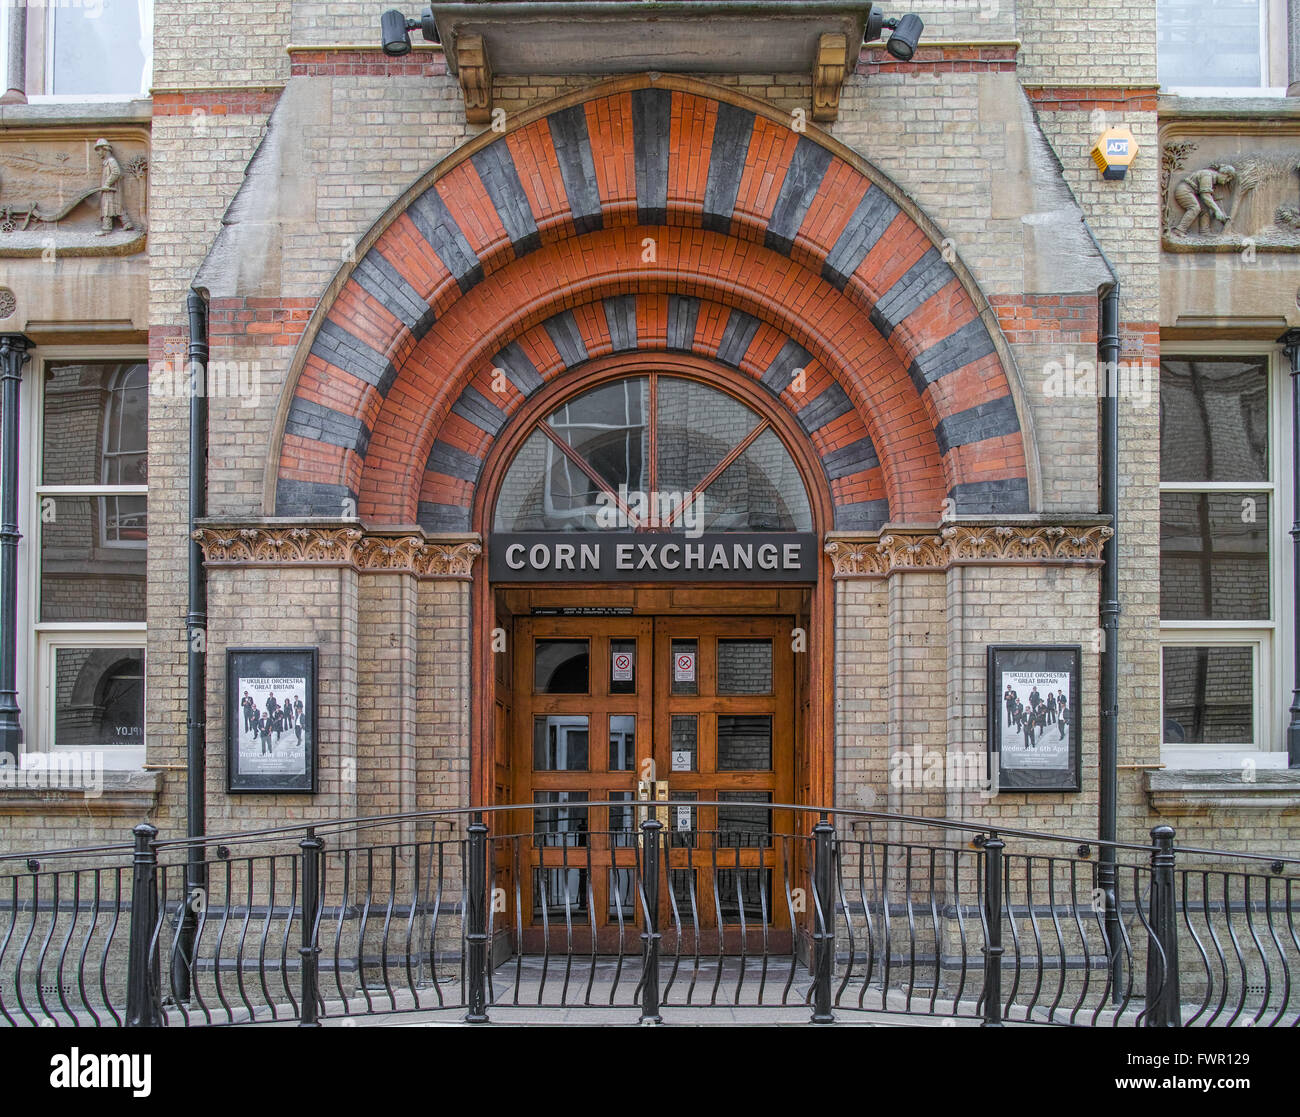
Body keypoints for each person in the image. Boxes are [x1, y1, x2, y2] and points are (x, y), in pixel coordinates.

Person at [1172, 164, 1235, 235]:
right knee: (1195, 208)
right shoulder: (1207, 175)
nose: (1227, 181)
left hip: (1191, 192)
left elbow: (1214, 201)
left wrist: (1222, 215)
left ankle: (1205, 232)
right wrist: (1217, 210)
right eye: (1228, 178)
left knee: (1205, 208)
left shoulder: (1213, 180)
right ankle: (1180, 230)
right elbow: (1206, 196)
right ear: (1223, 173)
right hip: (1184, 191)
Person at [93, 139, 135, 236]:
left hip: (110, 190)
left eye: (99, 150)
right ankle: (127, 224)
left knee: (107, 207)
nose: (98, 153)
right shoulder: (107, 162)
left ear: (105, 149)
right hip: (109, 189)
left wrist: (107, 184)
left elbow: (116, 172)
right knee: (116, 207)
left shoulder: (111, 161)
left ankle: (106, 229)